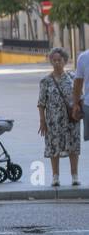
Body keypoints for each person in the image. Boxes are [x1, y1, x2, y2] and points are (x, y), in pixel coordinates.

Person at [38, 47, 80, 186]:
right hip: (53, 121)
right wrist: (42, 121)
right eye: (54, 60)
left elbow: (80, 97)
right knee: (53, 148)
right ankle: (55, 177)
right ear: (51, 61)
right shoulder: (45, 81)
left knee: (73, 147)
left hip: (70, 119)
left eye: (59, 60)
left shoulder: (73, 78)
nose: (56, 63)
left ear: (65, 61)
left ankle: (75, 176)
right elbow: (41, 103)